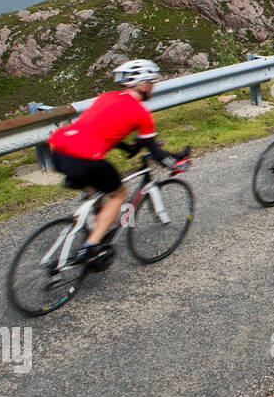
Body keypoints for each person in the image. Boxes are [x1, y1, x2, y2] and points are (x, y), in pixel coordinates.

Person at [47, 59, 181, 267]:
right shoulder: (141, 113)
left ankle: (90, 225)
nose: (154, 86)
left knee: (96, 186)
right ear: (142, 84)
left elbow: (102, 128)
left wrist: (127, 147)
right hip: (86, 157)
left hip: (59, 150)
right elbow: (156, 152)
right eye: (152, 82)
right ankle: (91, 246)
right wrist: (177, 160)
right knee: (119, 193)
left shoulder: (107, 96)